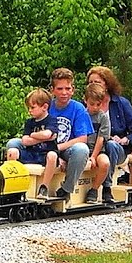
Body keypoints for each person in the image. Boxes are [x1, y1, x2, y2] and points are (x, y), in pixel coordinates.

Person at [45, 68, 92, 201]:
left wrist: (58, 149)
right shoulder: (46, 106)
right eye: (60, 89)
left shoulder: (78, 108)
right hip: (44, 147)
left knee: (81, 149)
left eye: (67, 88)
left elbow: (82, 138)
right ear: (52, 90)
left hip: (66, 149)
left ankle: (66, 189)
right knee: (13, 143)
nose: (64, 93)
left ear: (73, 89)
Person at [5, 88, 60, 198]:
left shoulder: (51, 120)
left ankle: (44, 187)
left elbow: (47, 134)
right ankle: (13, 187)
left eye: (32, 107)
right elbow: (25, 141)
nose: (30, 110)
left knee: (52, 155)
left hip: (46, 154)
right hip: (31, 153)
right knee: (12, 151)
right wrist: (44, 137)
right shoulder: (29, 122)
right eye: (29, 108)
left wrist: (33, 135)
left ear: (44, 107)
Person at [86, 66, 132, 156]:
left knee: (111, 145)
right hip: (91, 147)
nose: (93, 85)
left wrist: (125, 139)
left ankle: (110, 170)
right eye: (90, 83)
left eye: (97, 82)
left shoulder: (122, 103)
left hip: (117, 147)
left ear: (107, 85)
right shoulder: (84, 106)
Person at [82, 82, 118, 204]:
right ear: (85, 100)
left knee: (105, 163)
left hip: (97, 150)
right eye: (92, 104)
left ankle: (94, 189)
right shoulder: (81, 114)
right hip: (82, 147)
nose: (95, 107)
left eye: (98, 104)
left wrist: (93, 156)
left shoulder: (102, 117)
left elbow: (101, 138)